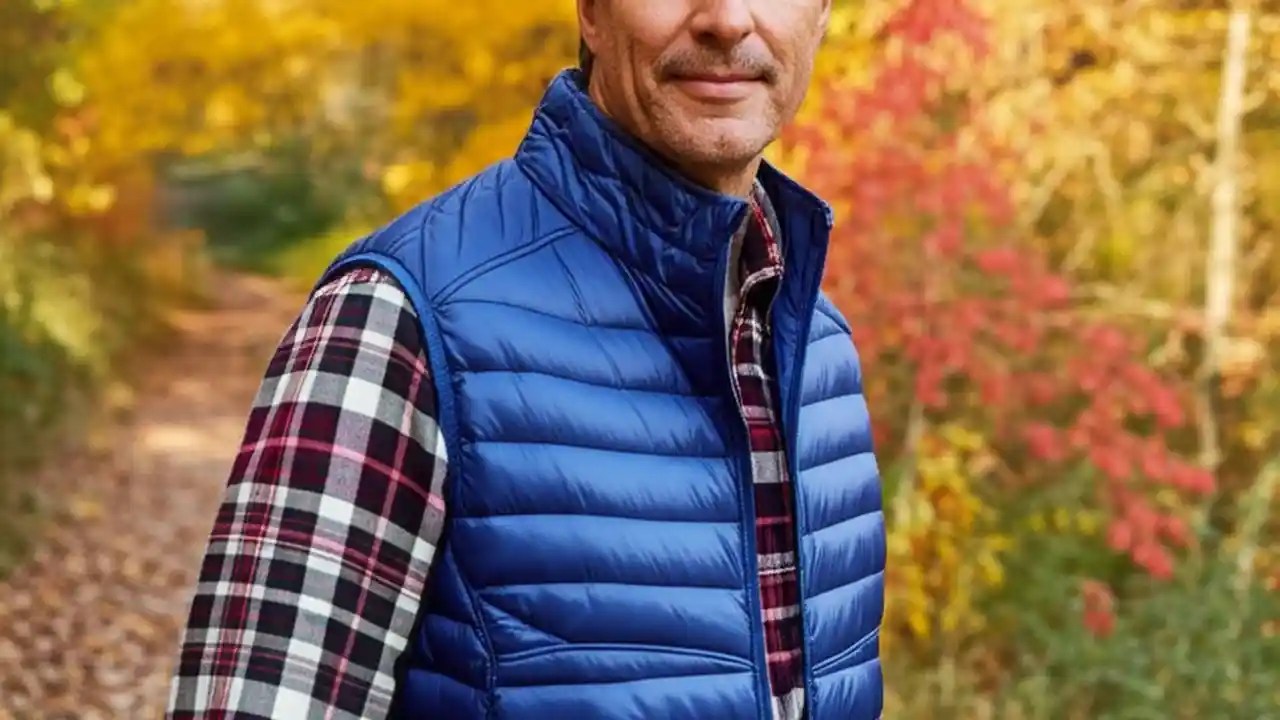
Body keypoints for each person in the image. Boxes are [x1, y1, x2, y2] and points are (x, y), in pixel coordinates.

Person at [166, 0, 886, 718]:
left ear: (820, 13)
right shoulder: (403, 319)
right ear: (592, 13)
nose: (726, 20)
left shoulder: (818, 350)